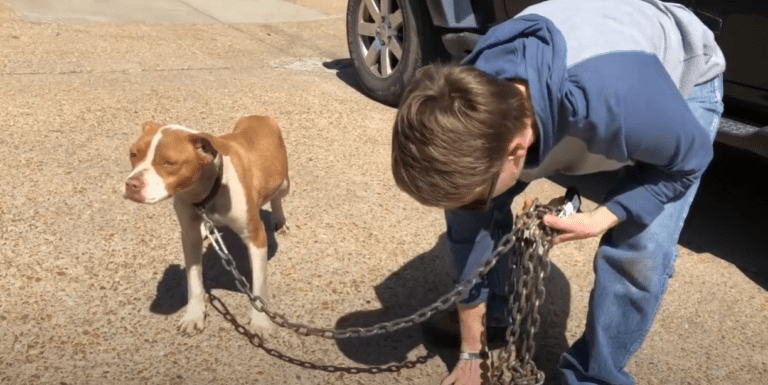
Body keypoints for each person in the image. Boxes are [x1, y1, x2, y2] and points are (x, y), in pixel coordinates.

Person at [390, 0, 726, 384]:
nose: (466, 206)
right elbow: (468, 229)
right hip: (582, 73)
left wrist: (603, 217)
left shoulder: (610, 99)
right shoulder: (466, 106)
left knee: (640, 248)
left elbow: (689, 160)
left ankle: (593, 375)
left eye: (471, 196)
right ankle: (493, 319)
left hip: (679, 75)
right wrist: (471, 349)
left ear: (516, 151)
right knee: (479, 203)